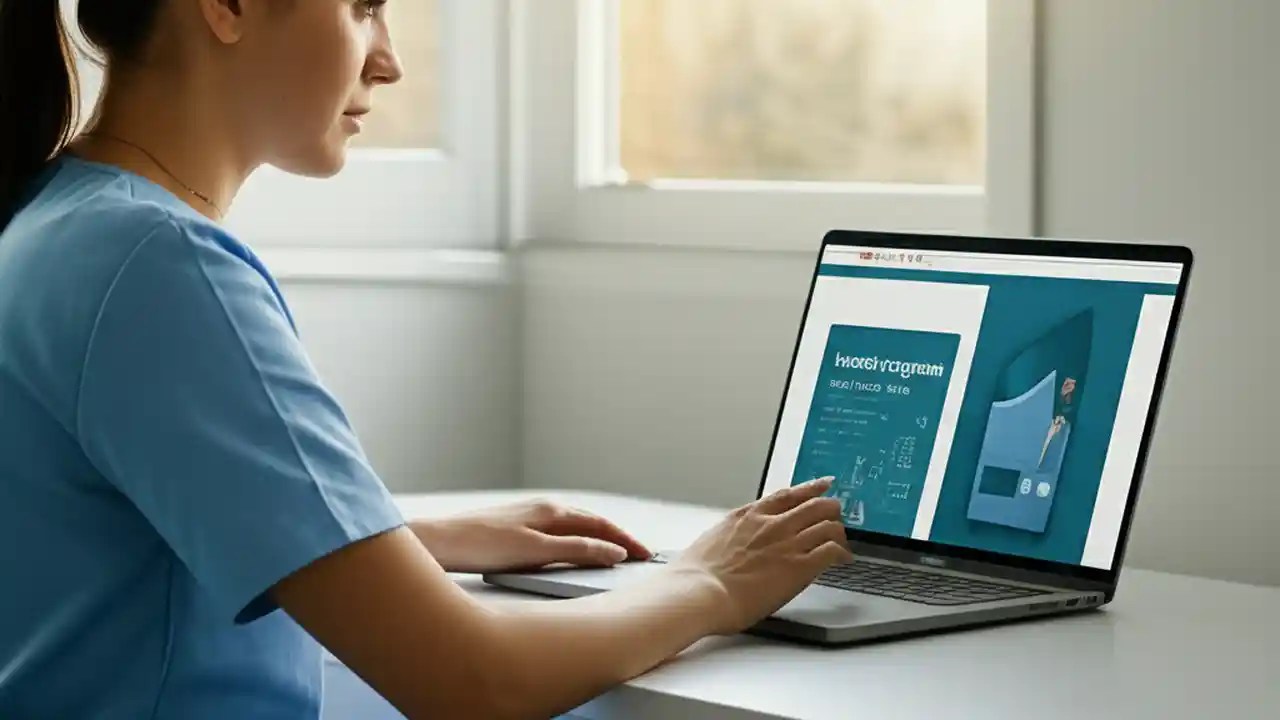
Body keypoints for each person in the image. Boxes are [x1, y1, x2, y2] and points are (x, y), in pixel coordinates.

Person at [0, 1, 852, 718]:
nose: (390, 62)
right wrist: (711, 582)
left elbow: (112, 530)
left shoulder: (51, 224)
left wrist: (388, 545)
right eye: (362, 7)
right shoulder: (161, 267)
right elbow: (469, 682)